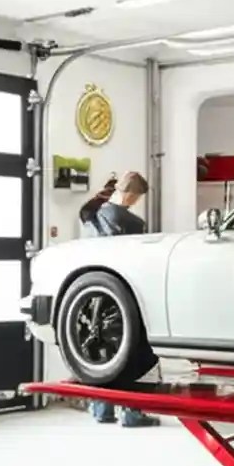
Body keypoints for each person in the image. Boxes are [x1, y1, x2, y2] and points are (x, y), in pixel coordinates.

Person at [78, 171, 160, 428]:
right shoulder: (132, 223)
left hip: (94, 296)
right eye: (137, 197)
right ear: (132, 194)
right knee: (131, 355)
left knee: (102, 356)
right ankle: (132, 412)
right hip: (122, 296)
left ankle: (101, 409)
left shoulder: (90, 215)